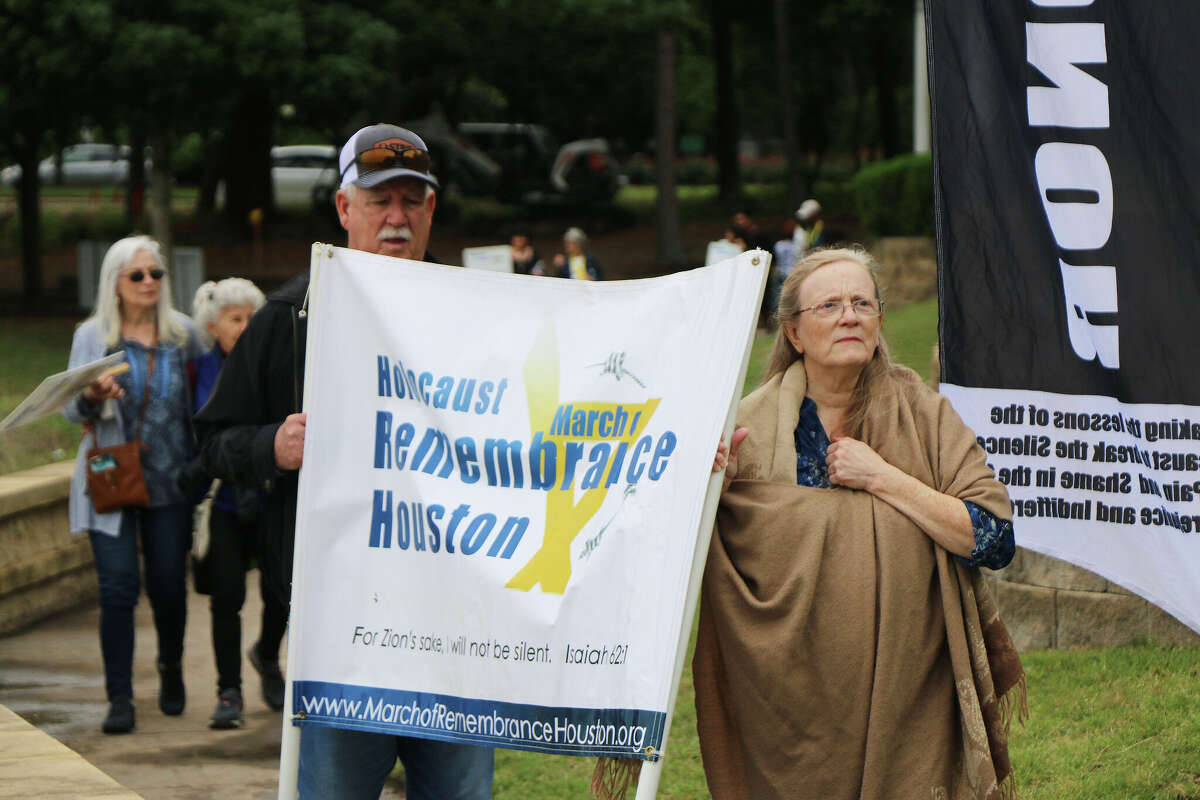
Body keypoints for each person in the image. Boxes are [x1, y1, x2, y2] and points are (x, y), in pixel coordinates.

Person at [195, 124, 494, 799]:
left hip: (456, 626)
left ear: (431, 211)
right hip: (341, 628)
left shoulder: (481, 313)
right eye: (379, 200)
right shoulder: (290, 315)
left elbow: (554, 431)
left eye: (412, 201)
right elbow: (212, 439)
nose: (396, 218)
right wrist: (274, 444)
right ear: (343, 208)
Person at [701, 246, 1025, 799]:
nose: (849, 315)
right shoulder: (744, 430)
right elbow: (681, 564)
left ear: (878, 318)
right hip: (785, 709)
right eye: (828, 305)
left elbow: (993, 538)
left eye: (862, 303)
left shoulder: (923, 415)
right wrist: (710, 493)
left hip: (911, 693)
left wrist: (883, 478)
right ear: (795, 333)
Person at [64, 235, 204, 734]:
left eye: (156, 274)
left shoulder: (184, 333)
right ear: (116, 285)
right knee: (117, 588)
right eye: (137, 275)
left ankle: (170, 668)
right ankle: (119, 697)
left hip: (171, 480)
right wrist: (90, 398)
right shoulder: (94, 336)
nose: (149, 283)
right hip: (111, 477)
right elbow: (69, 407)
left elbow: (204, 398)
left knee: (167, 586)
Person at [187, 277, 288, 729]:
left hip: (268, 496)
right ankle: (229, 693)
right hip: (222, 499)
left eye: (251, 318)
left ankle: (267, 655)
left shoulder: (273, 365)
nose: (246, 327)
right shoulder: (198, 371)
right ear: (214, 327)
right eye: (235, 319)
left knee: (279, 591)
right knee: (226, 597)